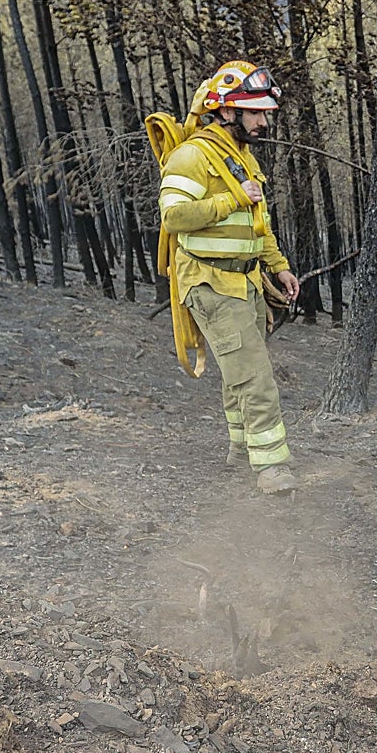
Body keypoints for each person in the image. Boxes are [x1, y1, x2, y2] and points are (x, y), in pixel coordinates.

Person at [153, 60, 303, 494]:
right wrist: (230, 198)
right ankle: (272, 469)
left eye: (265, 113)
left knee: (240, 373)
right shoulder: (193, 155)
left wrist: (279, 265)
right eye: (254, 112)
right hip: (212, 284)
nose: (263, 121)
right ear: (225, 110)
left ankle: (240, 453)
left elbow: (259, 222)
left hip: (247, 281)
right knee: (255, 376)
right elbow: (174, 216)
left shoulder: (242, 157)